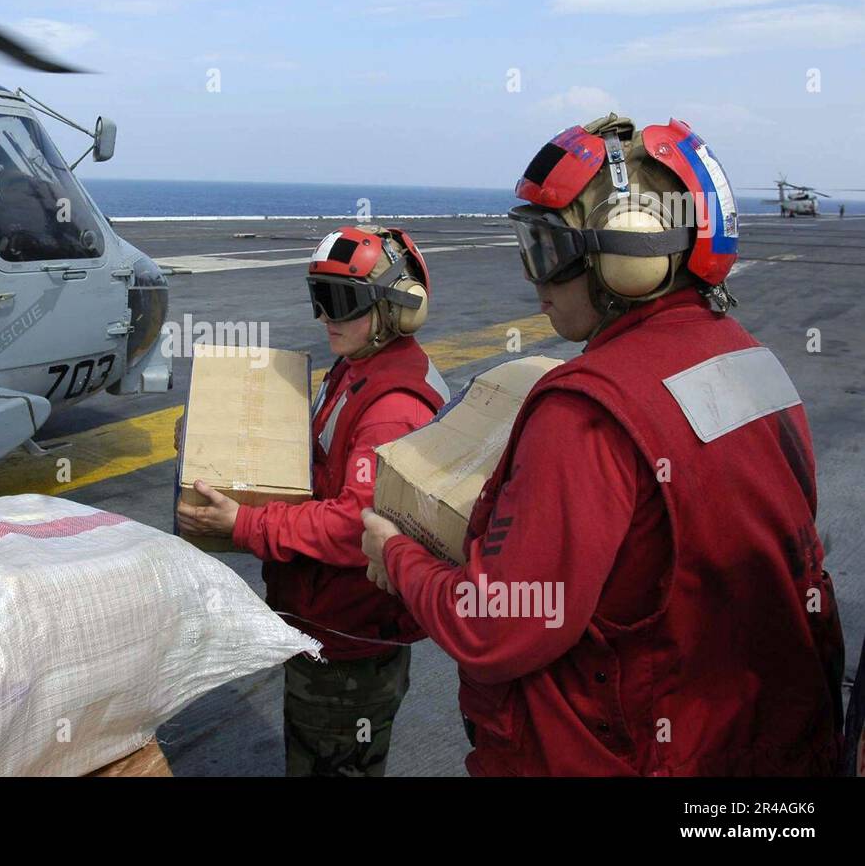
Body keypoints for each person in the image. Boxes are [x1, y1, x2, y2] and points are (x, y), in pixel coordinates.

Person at [362, 114, 845, 776]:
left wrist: (397, 556)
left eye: (549, 250)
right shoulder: (753, 361)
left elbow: (497, 627)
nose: (536, 283)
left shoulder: (588, 411)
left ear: (628, 257)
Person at [176, 226, 447, 776]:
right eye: (318, 298)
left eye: (342, 302)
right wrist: (219, 438)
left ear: (397, 308)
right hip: (327, 624)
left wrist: (247, 523)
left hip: (350, 644)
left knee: (330, 761)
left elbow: (357, 525)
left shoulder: (392, 405)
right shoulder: (359, 367)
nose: (325, 316)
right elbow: (323, 459)